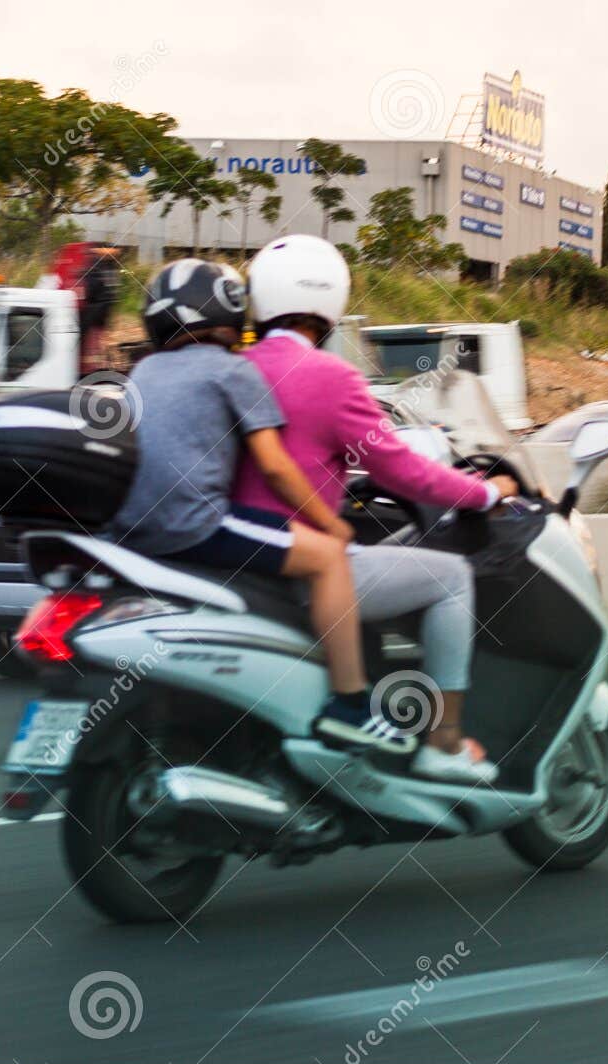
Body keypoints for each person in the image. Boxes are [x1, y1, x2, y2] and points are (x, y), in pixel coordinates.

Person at [235, 235, 517, 785]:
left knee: (381, 554)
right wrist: (487, 492)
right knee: (454, 575)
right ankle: (445, 740)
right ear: (330, 301)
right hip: (303, 563)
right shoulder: (333, 378)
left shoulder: (236, 368)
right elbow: (403, 471)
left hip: (242, 553)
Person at [110, 258, 413, 755]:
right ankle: (352, 706)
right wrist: (330, 525)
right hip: (194, 524)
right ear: (229, 307)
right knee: (328, 558)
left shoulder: (143, 371)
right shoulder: (233, 371)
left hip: (132, 532)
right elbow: (274, 466)